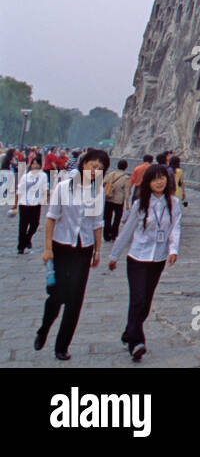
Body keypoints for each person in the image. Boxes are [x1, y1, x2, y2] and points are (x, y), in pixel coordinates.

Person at [36, 149, 108, 360]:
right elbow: (51, 219)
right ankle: (44, 328)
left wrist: (97, 250)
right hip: (61, 245)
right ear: (83, 164)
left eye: (100, 169)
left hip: (83, 249)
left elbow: (97, 223)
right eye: (93, 166)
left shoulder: (98, 192)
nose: (96, 171)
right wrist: (47, 248)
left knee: (75, 299)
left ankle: (62, 345)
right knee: (57, 295)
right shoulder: (63, 187)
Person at [109, 162, 182, 361]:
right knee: (138, 298)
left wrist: (173, 250)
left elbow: (175, 228)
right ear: (147, 182)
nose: (159, 182)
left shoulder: (173, 203)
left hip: (157, 258)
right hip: (137, 258)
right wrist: (114, 256)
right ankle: (136, 343)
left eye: (162, 178)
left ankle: (129, 331)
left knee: (146, 303)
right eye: (154, 179)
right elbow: (127, 231)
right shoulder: (140, 204)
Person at [16, 159, 48, 253]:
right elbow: (19, 190)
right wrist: (15, 203)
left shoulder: (43, 176)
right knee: (23, 226)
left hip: (36, 203)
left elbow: (45, 188)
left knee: (34, 224)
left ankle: (27, 239)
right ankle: (20, 247)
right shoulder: (25, 176)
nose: (35, 166)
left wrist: (44, 198)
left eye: (37, 164)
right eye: (33, 164)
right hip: (24, 203)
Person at [102, 160, 130, 242]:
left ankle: (106, 235)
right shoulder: (126, 178)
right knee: (117, 219)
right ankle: (114, 235)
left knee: (107, 218)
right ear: (126, 167)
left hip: (108, 198)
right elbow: (126, 191)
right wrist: (127, 203)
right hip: (119, 201)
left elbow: (103, 184)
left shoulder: (111, 174)